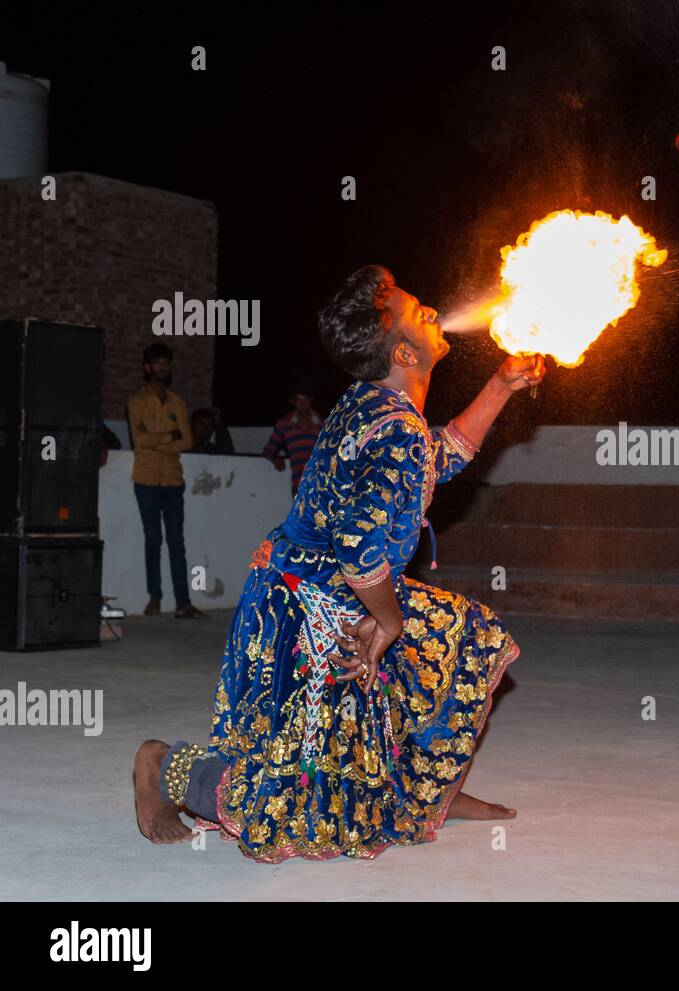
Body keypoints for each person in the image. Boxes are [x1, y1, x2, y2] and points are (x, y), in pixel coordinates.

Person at [132, 265, 545, 861]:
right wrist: (391, 619)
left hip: (318, 585)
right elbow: (359, 549)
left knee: (463, 636)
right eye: (416, 310)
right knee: (292, 804)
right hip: (311, 606)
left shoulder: (372, 400)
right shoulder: (393, 425)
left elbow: (437, 459)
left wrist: (501, 385)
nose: (432, 309)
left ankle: (426, 795)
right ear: (404, 351)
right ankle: (160, 766)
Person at [125, 343, 207, 619]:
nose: (163, 368)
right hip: (146, 479)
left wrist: (158, 440)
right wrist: (169, 437)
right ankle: (154, 598)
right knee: (153, 540)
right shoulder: (136, 401)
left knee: (177, 542)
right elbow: (139, 440)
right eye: (158, 363)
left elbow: (187, 440)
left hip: (173, 480)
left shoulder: (177, 402)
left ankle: (183, 602)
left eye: (166, 363)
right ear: (147, 367)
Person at [262, 378, 324, 494]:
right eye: (299, 400)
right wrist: (275, 459)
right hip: (299, 486)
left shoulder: (323, 425)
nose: (303, 404)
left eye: (306, 400)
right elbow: (268, 450)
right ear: (293, 401)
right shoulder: (284, 424)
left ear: (312, 400)